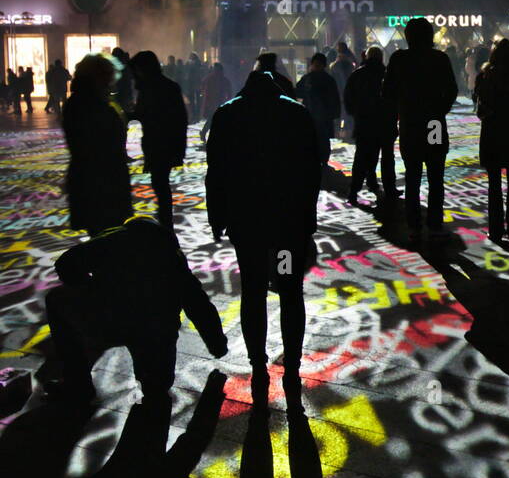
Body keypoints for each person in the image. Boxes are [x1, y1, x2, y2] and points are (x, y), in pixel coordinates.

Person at [206, 70, 320, 403]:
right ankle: (293, 361)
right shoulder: (295, 112)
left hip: (247, 222)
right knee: (289, 289)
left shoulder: (228, 114)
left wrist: (218, 217)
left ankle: (258, 362)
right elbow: (312, 168)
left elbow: (217, 172)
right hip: (287, 223)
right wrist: (306, 215)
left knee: (253, 289)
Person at [44, 215, 228, 406]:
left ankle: (78, 384)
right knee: (157, 387)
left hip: (109, 317)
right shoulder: (171, 255)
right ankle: (150, 381)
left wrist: (89, 289)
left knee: (56, 298)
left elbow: (65, 263)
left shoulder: (111, 240)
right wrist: (217, 344)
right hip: (154, 328)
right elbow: (198, 304)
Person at [382, 18, 458, 241]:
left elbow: (387, 92)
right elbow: (452, 89)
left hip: (410, 124)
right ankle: (435, 223)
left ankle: (414, 224)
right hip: (433, 122)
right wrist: (439, 110)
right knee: (436, 175)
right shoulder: (439, 58)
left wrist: (401, 109)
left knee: (412, 177)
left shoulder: (399, 59)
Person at [62, 54, 133, 235]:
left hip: (96, 178)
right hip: (100, 181)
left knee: (103, 234)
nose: (112, 83)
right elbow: (94, 145)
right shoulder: (90, 105)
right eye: (108, 78)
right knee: (106, 235)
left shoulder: (84, 102)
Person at [474, 39, 509, 242]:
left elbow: (478, 102)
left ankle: (496, 229)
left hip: (492, 129)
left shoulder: (485, 76)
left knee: (494, 184)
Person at [129, 50, 188, 230]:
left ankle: (165, 222)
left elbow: (142, 113)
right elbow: (181, 118)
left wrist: (127, 114)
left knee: (160, 184)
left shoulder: (149, 88)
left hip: (158, 143)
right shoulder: (170, 86)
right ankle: (165, 220)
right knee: (162, 183)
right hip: (168, 142)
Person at [343, 46, 399, 204]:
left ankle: (354, 190)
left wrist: (355, 114)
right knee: (387, 157)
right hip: (386, 123)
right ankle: (389, 188)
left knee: (362, 156)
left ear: (367, 57)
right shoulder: (388, 74)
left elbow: (348, 98)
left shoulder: (358, 74)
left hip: (364, 123)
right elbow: (396, 98)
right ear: (381, 57)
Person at [295, 54, 341, 166]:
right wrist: (335, 115)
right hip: (324, 116)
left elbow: (297, 92)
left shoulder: (307, 79)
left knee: (312, 139)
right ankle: (323, 161)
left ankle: (313, 161)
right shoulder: (328, 80)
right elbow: (335, 98)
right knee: (324, 140)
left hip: (310, 114)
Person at [200, 61, 232, 143]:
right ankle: (205, 133)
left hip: (218, 101)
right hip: (214, 102)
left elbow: (228, 90)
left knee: (214, 118)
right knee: (213, 118)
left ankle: (205, 133)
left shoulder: (214, 78)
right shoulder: (212, 78)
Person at [329, 42, 356, 140]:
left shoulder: (335, 65)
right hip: (348, 93)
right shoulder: (350, 64)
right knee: (348, 114)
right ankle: (348, 131)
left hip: (339, 93)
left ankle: (340, 132)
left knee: (340, 114)